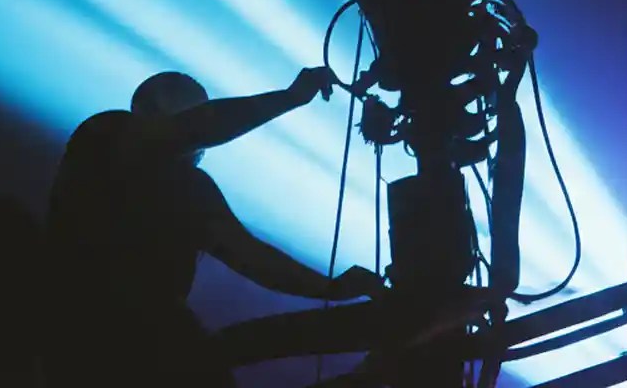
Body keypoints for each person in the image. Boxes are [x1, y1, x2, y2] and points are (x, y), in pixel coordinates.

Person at [42, 67, 385, 388]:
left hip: (128, 343)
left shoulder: (187, 188)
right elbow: (193, 131)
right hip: (104, 336)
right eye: (192, 112)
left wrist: (331, 288)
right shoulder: (106, 133)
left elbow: (250, 256)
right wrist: (290, 96)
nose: (203, 139)